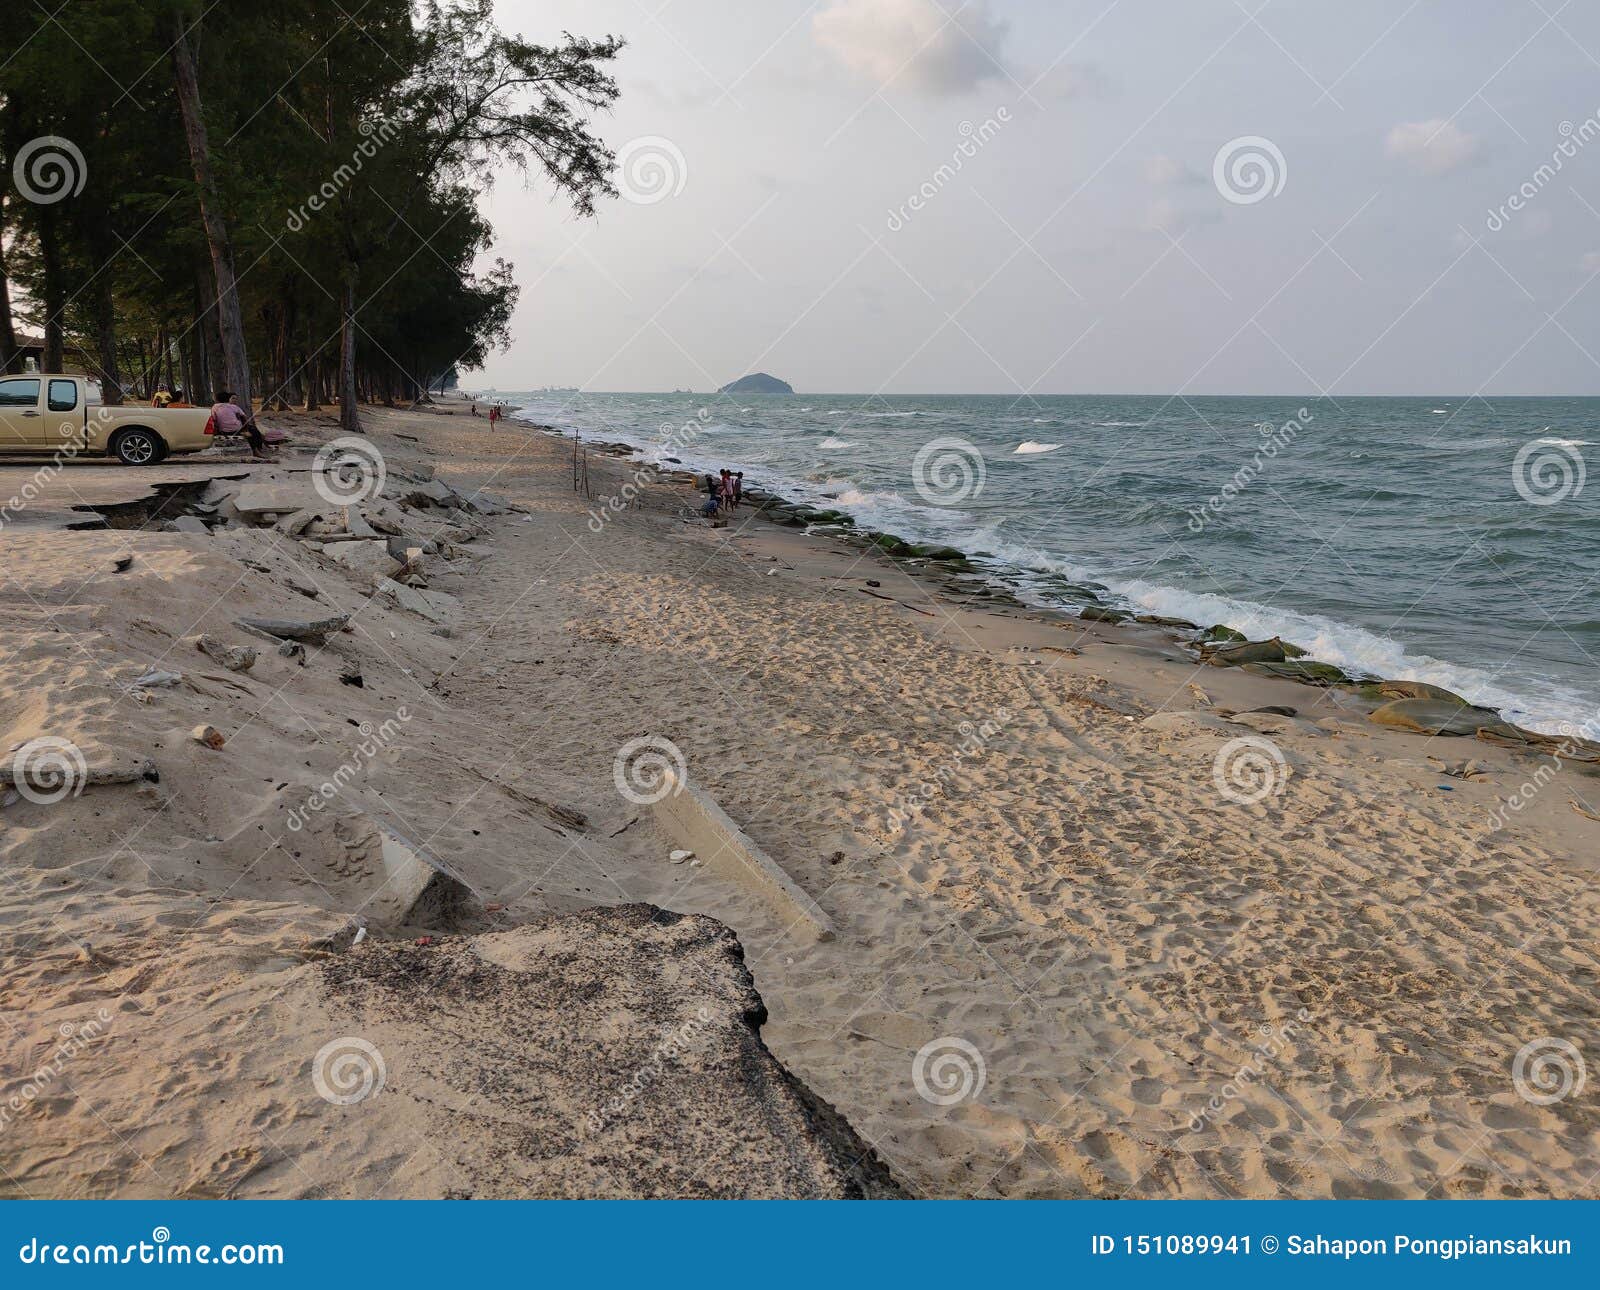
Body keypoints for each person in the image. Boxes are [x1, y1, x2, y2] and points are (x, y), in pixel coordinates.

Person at [210, 390, 271, 461]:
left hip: (223, 431)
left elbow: (213, 419)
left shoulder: (214, 407)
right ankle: (257, 450)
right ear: (228, 399)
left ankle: (257, 450)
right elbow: (244, 417)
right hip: (238, 429)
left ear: (217, 399)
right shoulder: (234, 407)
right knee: (253, 430)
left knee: (251, 430)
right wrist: (245, 427)